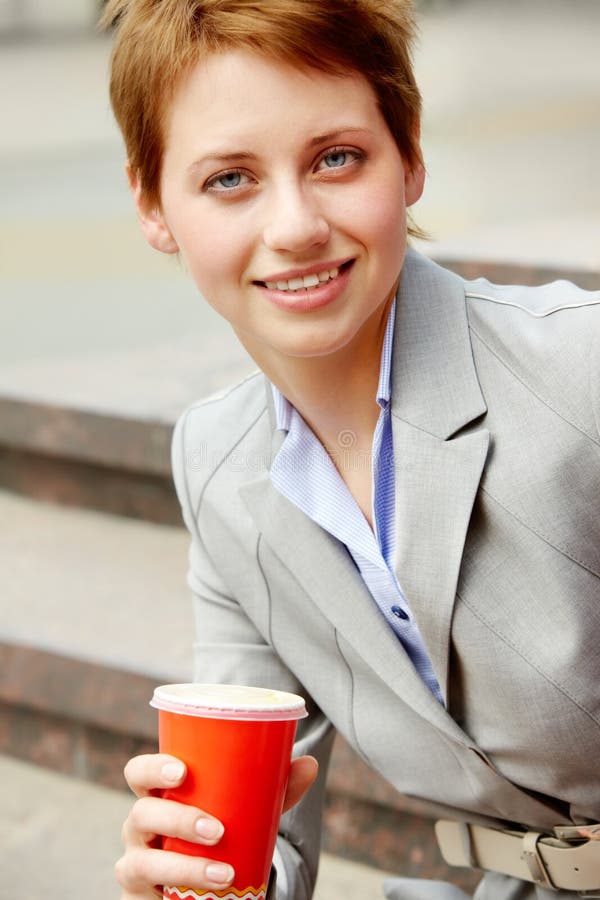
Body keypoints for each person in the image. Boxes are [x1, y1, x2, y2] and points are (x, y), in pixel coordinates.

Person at [100, 1, 600, 898]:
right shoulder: (220, 466)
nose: (294, 225)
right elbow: (264, 844)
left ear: (408, 158)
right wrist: (205, 872)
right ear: (152, 204)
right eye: (229, 180)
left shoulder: (578, 371)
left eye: (336, 159)